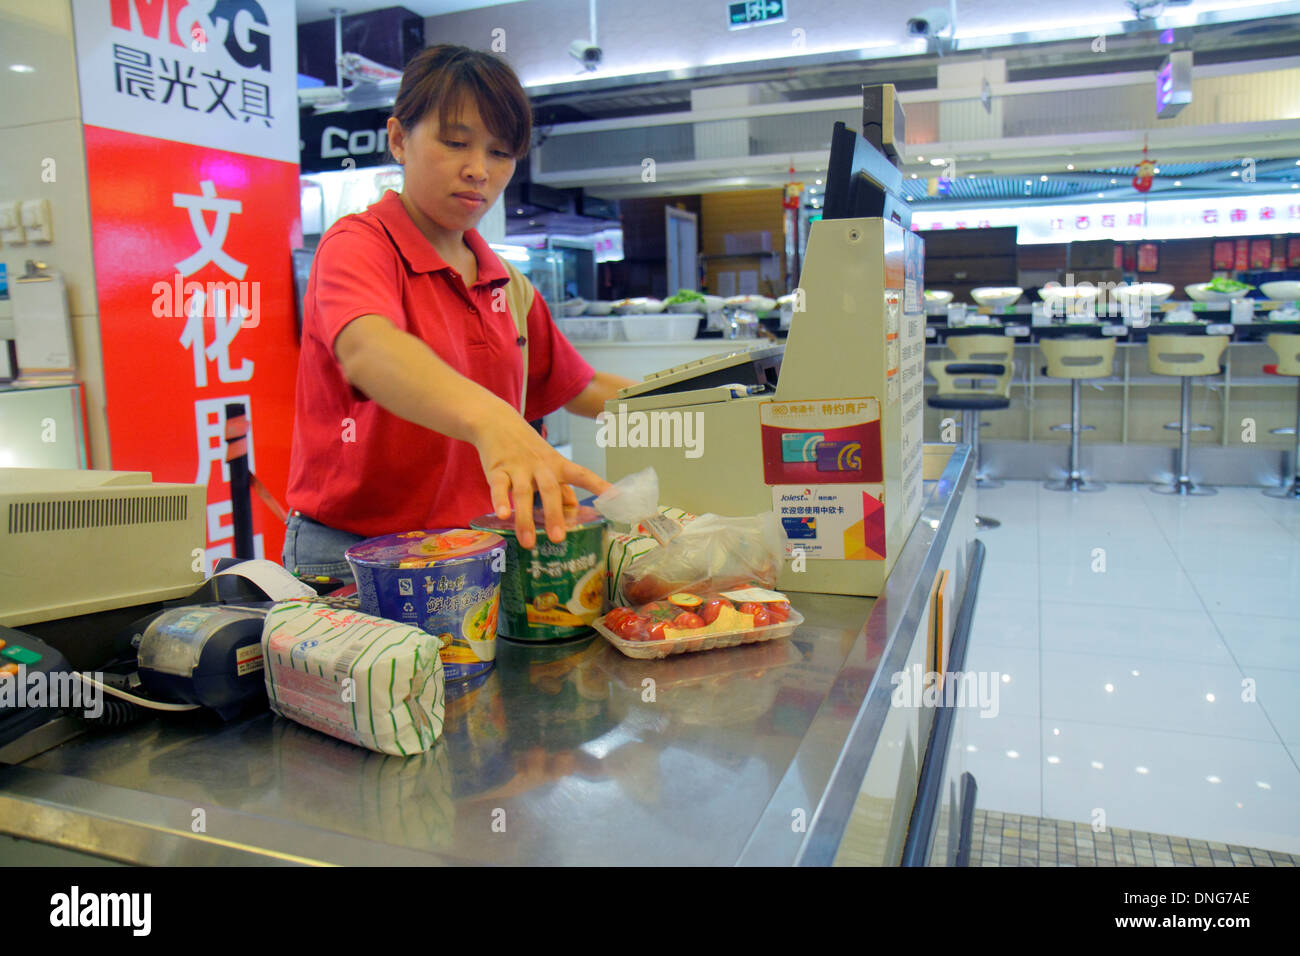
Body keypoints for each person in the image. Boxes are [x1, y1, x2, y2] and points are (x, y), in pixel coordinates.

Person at [283, 44, 633, 581]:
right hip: (356, 557)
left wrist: (705, 408)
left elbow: (577, 387)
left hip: (475, 549)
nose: (478, 171)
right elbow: (369, 349)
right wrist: (495, 422)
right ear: (399, 139)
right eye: (455, 143)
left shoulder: (506, 283)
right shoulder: (360, 244)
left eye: (500, 153)